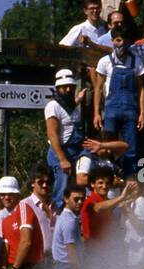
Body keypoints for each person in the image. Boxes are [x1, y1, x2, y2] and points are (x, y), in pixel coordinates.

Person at [94, 27, 144, 178]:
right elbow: (98, 89)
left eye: (124, 41)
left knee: (131, 149)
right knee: (108, 147)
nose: (121, 44)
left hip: (131, 112)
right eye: (118, 40)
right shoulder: (105, 61)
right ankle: (109, 180)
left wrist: (142, 113)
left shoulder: (136, 61)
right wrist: (97, 113)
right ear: (112, 41)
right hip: (111, 111)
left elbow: (142, 89)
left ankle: (130, 180)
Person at [45, 69, 87, 210]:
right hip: (60, 152)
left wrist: (79, 99)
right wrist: (62, 159)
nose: (68, 89)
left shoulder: (70, 104)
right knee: (62, 184)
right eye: (64, 87)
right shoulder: (52, 106)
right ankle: (57, 213)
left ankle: (83, 211)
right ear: (58, 88)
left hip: (77, 150)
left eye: (71, 86)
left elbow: (68, 108)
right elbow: (52, 134)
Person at [52, 183, 87, 269]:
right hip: (67, 268)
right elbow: (71, 252)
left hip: (64, 266)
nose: (80, 202)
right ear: (66, 199)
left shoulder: (68, 217)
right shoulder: (69, 221)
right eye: (76, 199)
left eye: (82, 199)